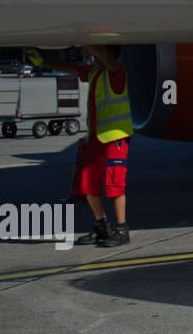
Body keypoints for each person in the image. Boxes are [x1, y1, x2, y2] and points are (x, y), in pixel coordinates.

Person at [31, 45, 133, 246]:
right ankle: (101, 226)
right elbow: (69, 67)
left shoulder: (117, 72)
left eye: (96, 55)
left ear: (109, 56)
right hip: (96, 137)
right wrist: (43, 61)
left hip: (116, 137)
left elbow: (105, 56)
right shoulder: (95, 72)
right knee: (87, 182)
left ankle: (122, 230)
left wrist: (84, 39)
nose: (92, 58)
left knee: (114, 185)